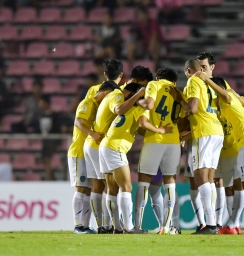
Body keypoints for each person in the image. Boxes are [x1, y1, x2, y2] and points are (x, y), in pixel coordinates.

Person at [100, 82, 173, 234]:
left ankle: (118, 227)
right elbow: (142, 123)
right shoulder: (140, 108)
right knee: (126, 187)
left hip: (105, 146)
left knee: (112, 189)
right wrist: (160, 130)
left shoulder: (129, 108)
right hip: (116, 148)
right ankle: (128, 227)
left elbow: (138, 128)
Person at [196, 73, 244, 235]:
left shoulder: (228, 99)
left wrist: (206, 79)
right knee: (242, 185)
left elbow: (226, 94)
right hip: (243, 145)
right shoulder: (224, 105)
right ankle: (233, 224)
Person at [84, 59, 143, 234]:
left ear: (104, 75)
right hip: (102, 141)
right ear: (121, 76)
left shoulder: (97, 90)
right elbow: (119, 109)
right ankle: (115, 226)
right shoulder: (116, 95)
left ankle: (108, 226)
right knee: (116, 186)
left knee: (103, 186)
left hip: (94, 142)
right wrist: (137, 96)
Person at [171, 60, 224, 234]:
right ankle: (214, 222)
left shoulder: (193, 81)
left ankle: (209, 224)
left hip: (204, 132)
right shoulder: (208, 83)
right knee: (209, 178)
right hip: (216, 131)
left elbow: (192, 108)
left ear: (188, 70)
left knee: (200, 177)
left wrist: (179, 98)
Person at [135, 68, 183, 234]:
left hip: (155, 139)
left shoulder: (153, 85)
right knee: (170, 182)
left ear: (157, 77)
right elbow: (184, 117)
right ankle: (166, 227)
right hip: (174, 140)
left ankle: (137, 226)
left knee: (144, 181)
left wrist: (136, 101)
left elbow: (149, 104)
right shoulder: (178, 92)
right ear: (174, 81)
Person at [68, 81, 119, 234]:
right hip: (78, 151)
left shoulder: (98, 107)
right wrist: (92, 133)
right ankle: (78, 226)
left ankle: (85, 225)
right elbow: (77, 122)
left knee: (89, 189)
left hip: (88, 151)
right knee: (81, 188)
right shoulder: (87, 102)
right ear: (105, 93)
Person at [206, 77, 244, 234]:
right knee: (229, 188)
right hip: (225, 150)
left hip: (240, 147)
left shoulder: (232, 98)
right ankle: (235, 223)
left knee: (243, 186)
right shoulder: (215, 104)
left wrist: (235, 94)